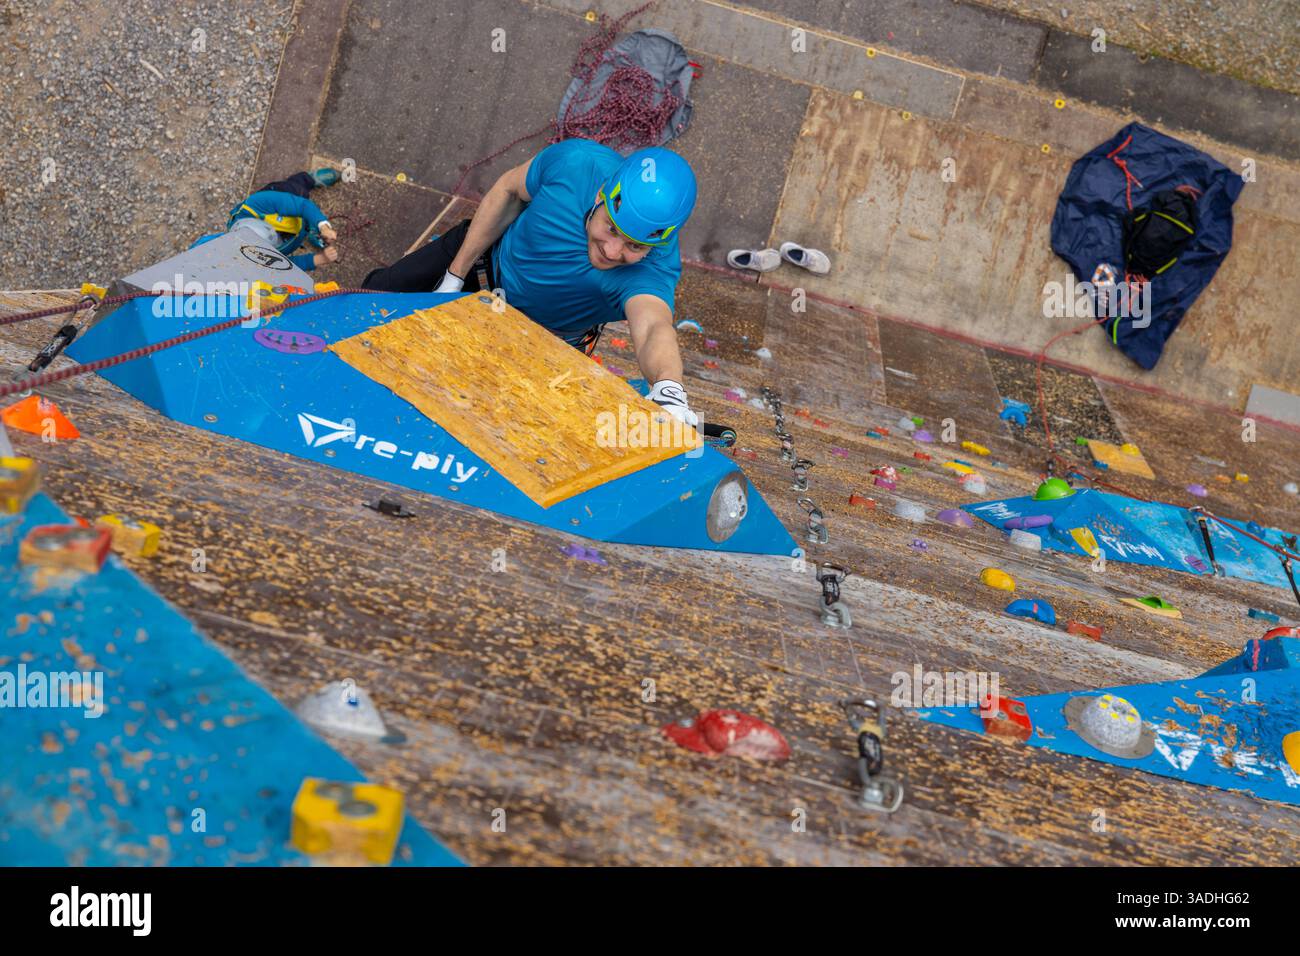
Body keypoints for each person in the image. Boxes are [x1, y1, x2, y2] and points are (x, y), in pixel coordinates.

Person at [363, 138, 700, 427]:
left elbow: (654, 327)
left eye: (634, 246)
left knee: (476, 418)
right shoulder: (575, 164)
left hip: (542, 338)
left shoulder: (655, 266)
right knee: (372, 299)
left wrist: (669, 389)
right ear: (601, 196)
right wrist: (454, 276)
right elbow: (508, 191)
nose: (613, 252)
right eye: (611, 228)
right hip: (481, 265)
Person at [192, 168, 341, 271]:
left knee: (297, 187)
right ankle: (309, 232)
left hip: (282, 196)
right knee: (304, 225)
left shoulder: (256, 204)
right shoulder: (251, 261)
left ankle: (310, 179)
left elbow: (303, 206)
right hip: (289, 235)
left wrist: (324, 227)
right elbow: (285, 265)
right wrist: (319, 259)